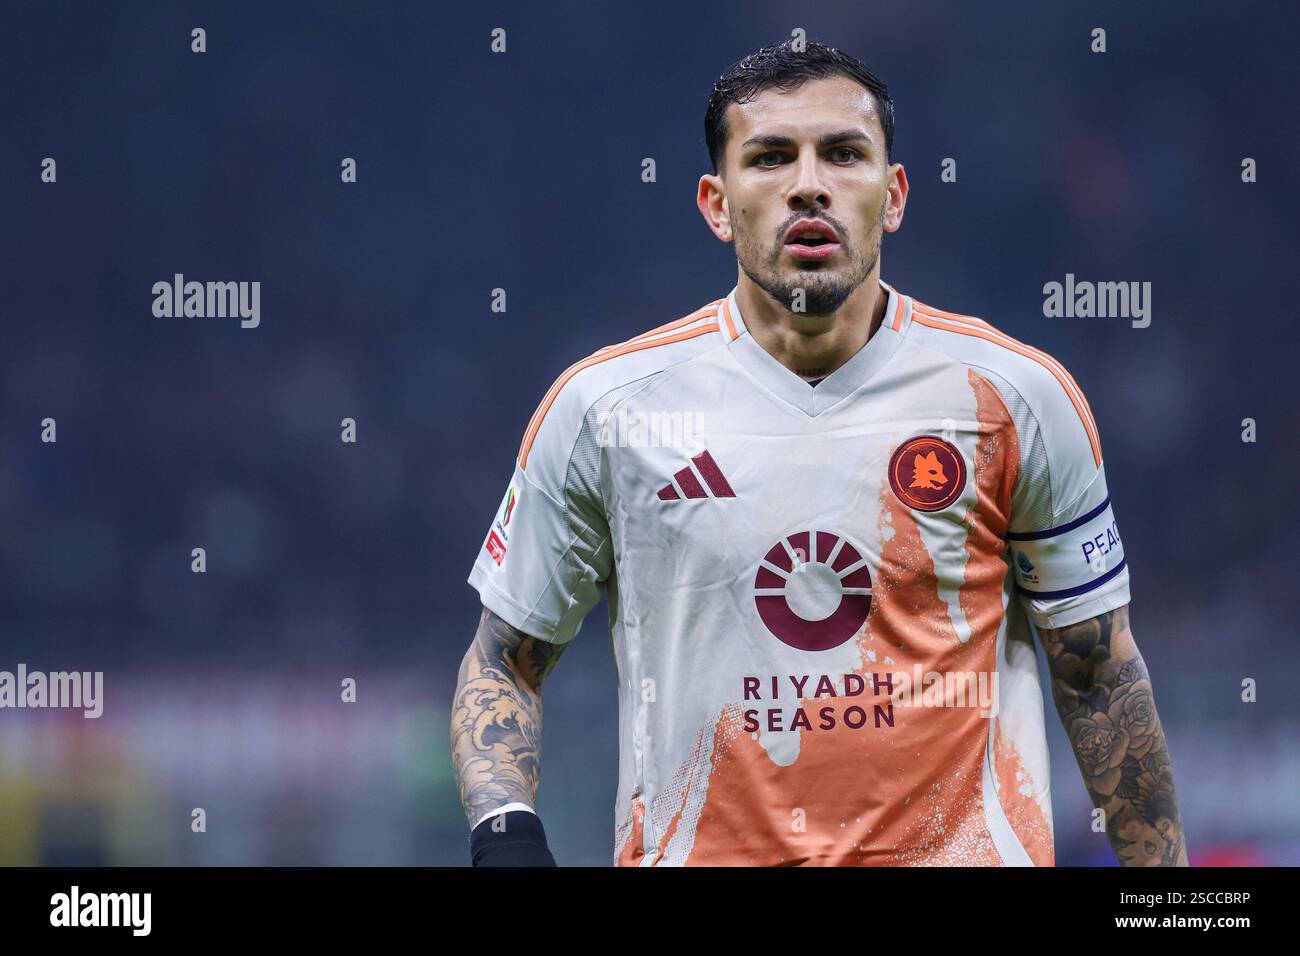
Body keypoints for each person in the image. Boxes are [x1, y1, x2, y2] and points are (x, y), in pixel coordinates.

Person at [452, 38, 1187, 867]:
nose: (810, 183)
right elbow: (505, 661)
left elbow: (1098, 676)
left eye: (844, 153)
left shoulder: (1016, 397)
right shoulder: (605, 408)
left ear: (895, 193)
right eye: (770, 158)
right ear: (717, 203)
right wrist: (505, 831)